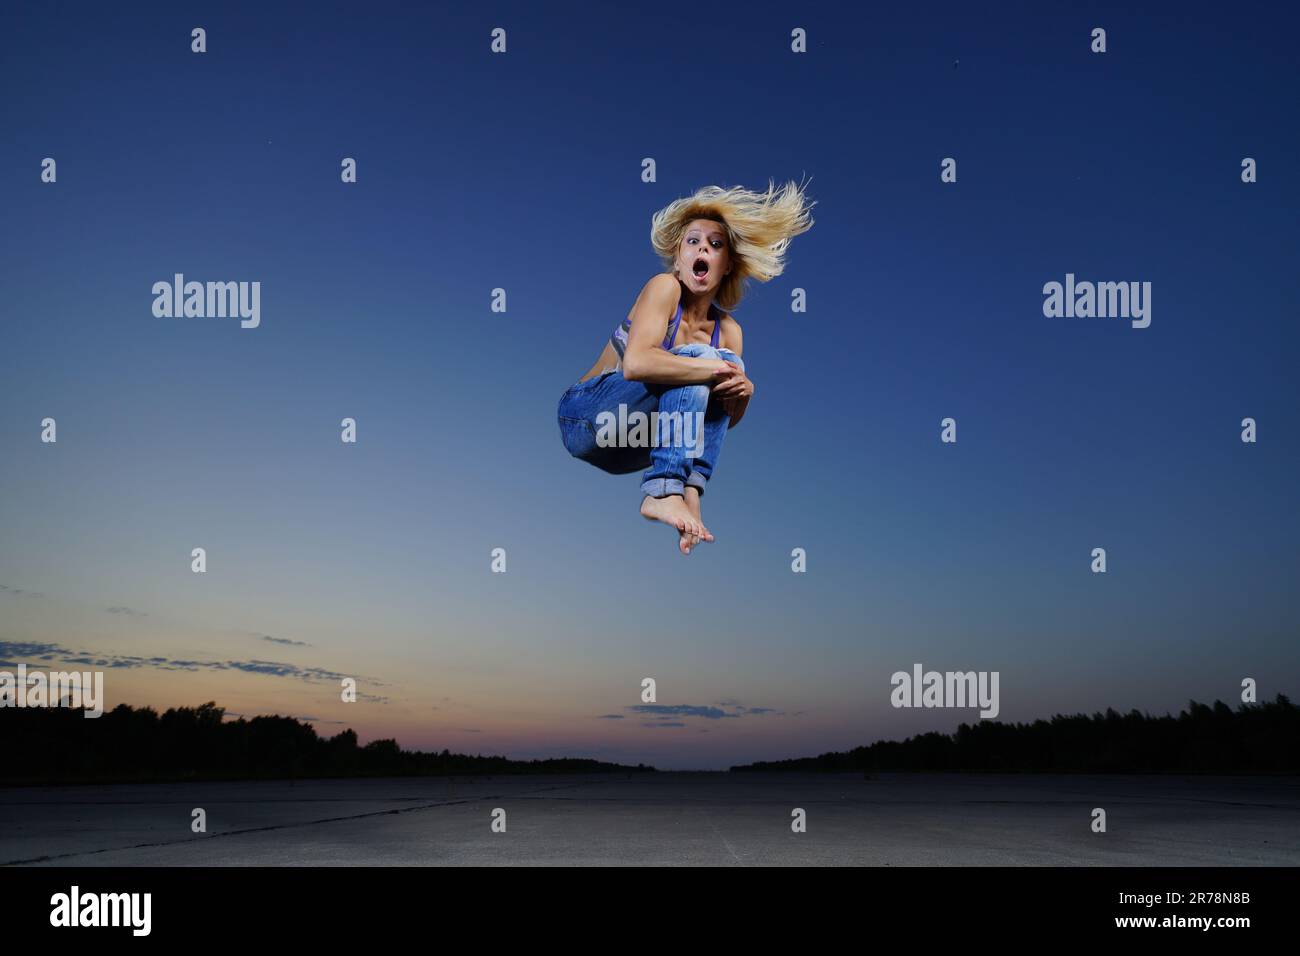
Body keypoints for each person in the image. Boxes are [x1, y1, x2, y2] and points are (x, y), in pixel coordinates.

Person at [557, 179, 815, 554]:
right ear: (678, 258)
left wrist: (744, 393)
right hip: (586, 420)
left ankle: (689, 490)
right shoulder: (664, 288)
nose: (702, 250)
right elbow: (638, 362)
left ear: (727, 265)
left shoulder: (728, 332)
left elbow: (719, 417)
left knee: (726, 361)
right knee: (706, 360)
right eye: (692, 242)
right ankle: (662, 488)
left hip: (630, 446)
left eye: (715, 245)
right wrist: (712, 370)